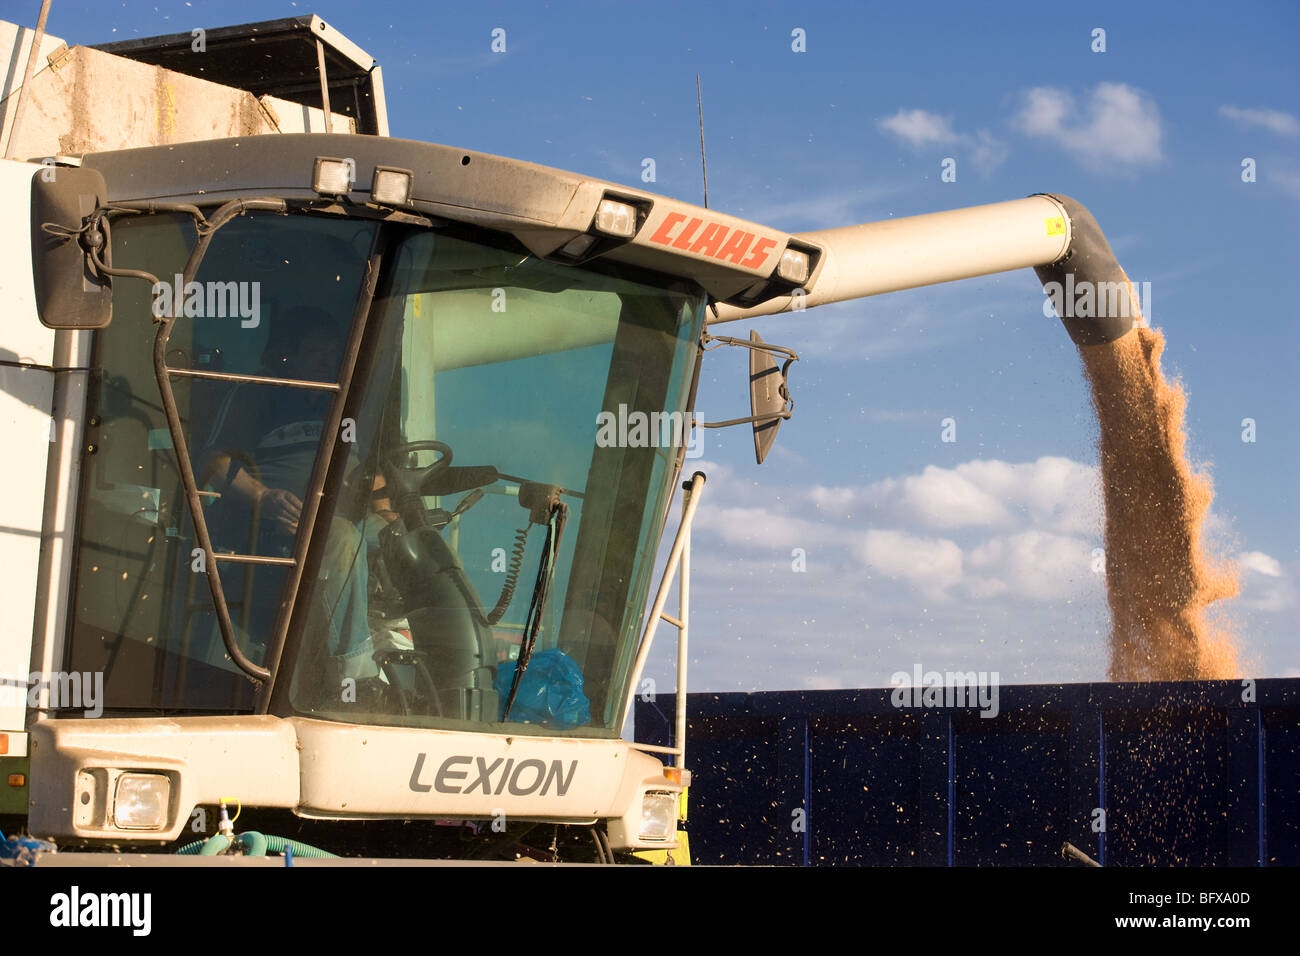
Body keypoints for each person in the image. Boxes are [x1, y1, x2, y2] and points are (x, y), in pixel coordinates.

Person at [200, 308, 389, 699]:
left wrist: (392, 516)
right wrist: (264, 498)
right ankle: (354, 672)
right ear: (290, 356)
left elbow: (373, 473)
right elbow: (216, 462)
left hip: (346, 513)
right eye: (315, 352)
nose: (325, 360)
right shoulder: (258, 394)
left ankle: (409, 655)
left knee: (406, 545)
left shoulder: (345, 403)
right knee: (339, 538)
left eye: (330, 353)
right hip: (271, 524)